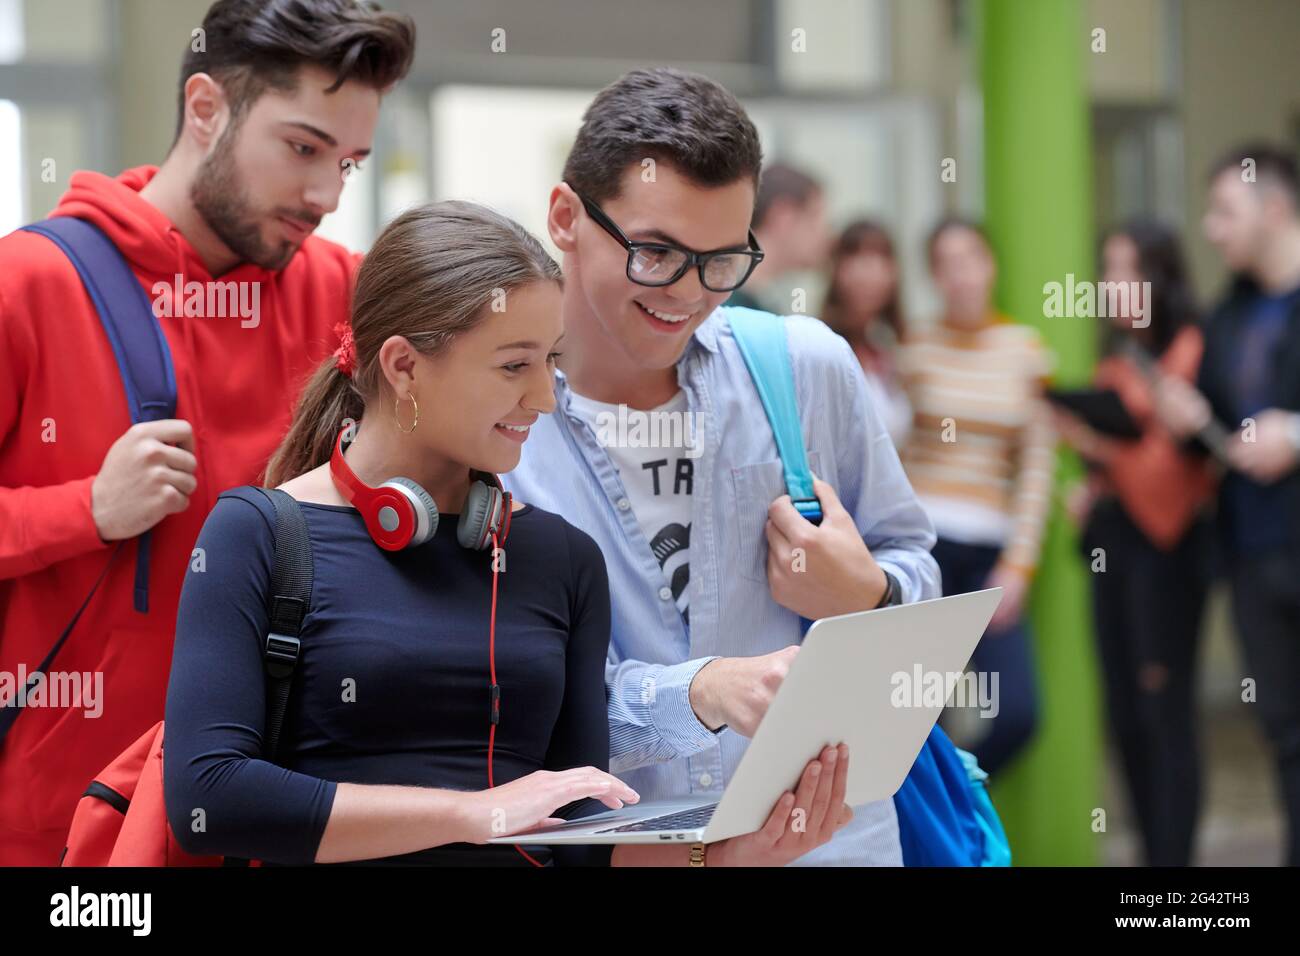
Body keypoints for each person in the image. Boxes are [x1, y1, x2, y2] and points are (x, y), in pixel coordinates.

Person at [164, 201, 853, 867]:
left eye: (551, 362)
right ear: (404, 366)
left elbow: (578, 836)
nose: (546, 398)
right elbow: (211, 798)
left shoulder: (561, 559)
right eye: (513, 365)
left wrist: (728, 856)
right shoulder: (254, 536)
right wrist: (476, 812)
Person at [0, 0, 415, 865]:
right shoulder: (30, 284)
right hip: (64, 830)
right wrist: (86, 509)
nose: (325, 196)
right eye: (303, 148)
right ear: (205, 109)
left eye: (350, 163)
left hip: (273, 820)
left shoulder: (348, 297)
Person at [503, 67, 941, 866]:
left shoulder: (803, 368)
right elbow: (521, 706)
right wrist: (699, 691)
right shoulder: (502, 425)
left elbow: (918, 576)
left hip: (833, 846)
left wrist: (869, 593)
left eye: (722, 260)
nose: (691, 293)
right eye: (657, 252)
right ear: (565, 217)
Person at [1156, 144, 1300, 866]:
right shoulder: (1230, 313)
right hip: (1253, 552)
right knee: (1282, 729)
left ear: (1276, 209)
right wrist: (1193, 420)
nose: (1212, 230)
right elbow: (1222, 427)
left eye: (1225, 212)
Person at [1056, 221, 1216, 865]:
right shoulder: (1117, 360)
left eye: (1127, 270)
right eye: (1108, 270)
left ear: (1160, 277)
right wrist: (1094, 486)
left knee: (1164, 716)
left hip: (1169, 557)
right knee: (1123, 717)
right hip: (1114, 549)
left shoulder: (1196, 349)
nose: (1113, 285)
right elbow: (1128, 457)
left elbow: (1183, 472)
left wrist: (1099, 448)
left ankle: (1175, 879)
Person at [896, 217, 1055, 778]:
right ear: (934, 276)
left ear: (990, 265)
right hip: (926, 552)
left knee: (1017, 712)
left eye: (971, 259)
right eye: (946, 264)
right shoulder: (914, 347)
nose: (960, 275)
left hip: (991, 557)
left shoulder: (1024, 350)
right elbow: (890, 453)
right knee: (916, 721)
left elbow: (1037, 470)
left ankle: (961, 794)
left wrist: (1019, 564)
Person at [821, 219, 912, 447]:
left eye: (880, 260)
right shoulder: (822, 345)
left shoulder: (891, 345)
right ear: (837, 270)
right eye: (857, 260)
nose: (869, 273)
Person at [725, 162, 831, 314]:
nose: (824, 233)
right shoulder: (727, 302)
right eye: (815, 217)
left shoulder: (768, 299)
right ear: (783, 217)